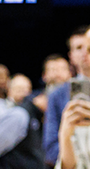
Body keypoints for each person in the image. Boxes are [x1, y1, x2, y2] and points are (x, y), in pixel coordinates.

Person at [0, 74, 45, 169]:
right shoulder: (18, 114)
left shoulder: (34, 114)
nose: (24, 93)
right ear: (9, 89)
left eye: (27, 90)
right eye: (19, 89)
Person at [46, 26, 90, 165]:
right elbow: (51, 149)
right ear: (70, 56)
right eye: (79, 48)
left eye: (89, 47)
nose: (85, 52)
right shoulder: (57, 95)